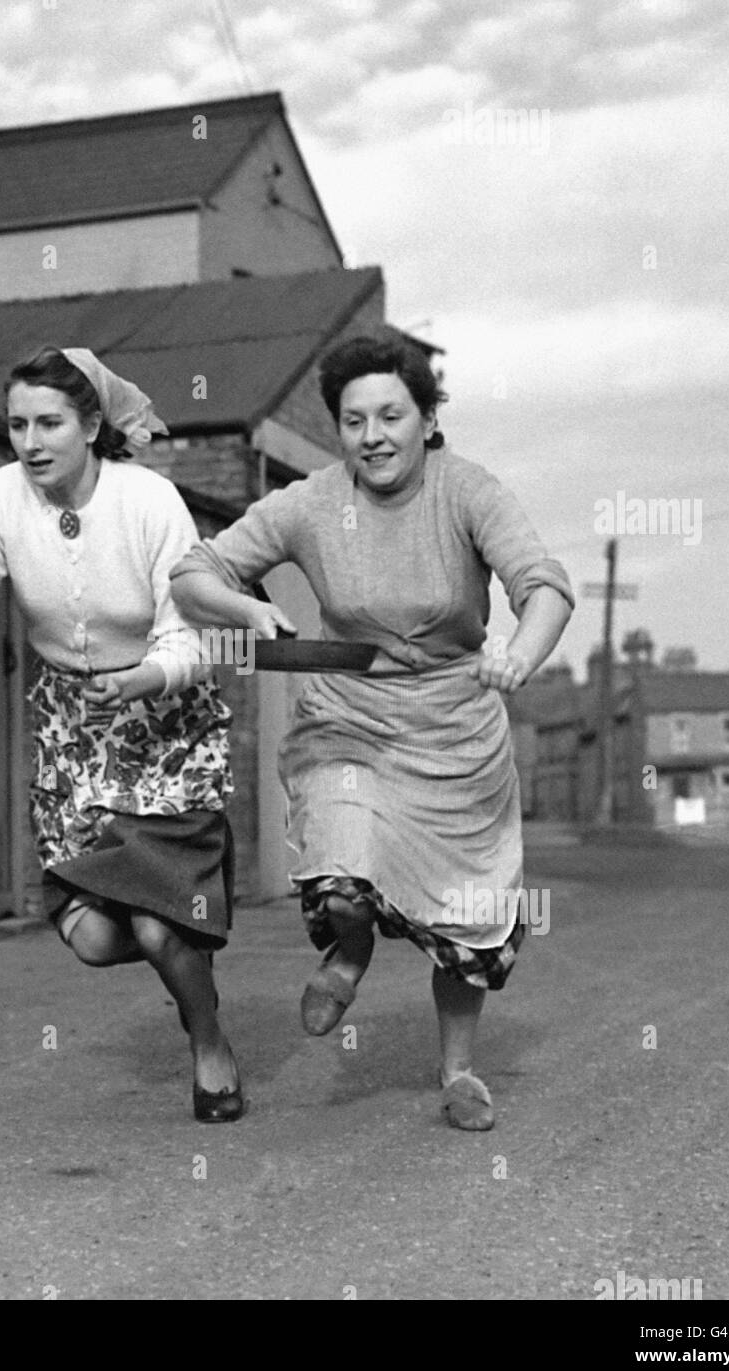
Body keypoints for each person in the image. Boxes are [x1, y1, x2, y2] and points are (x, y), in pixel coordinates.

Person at [170, 329, 573, 1131]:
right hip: (349, 717)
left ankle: (458, 1070)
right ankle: (347, 951)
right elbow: (193, 571)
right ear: (338, 431)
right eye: (354, 422)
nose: (373, 437)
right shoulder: (313, 502)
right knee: (340, 865)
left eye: (391, 415)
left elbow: (544, 586)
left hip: (456, 727)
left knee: (467, 920)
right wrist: (246, 605)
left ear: (426, 419)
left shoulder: (467, 491)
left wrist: (518, 657)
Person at [0, 346, 244, 1123]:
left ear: (91, 424)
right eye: (16, 425)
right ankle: (188, 940)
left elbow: (193, 628)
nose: (30, 442)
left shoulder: (149, 499)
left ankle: (209, 1043)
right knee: (98, 940)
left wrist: (146, 678)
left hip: (163, 727)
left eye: (50, 423)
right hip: (69, 733)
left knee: (155, 925)